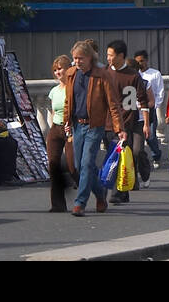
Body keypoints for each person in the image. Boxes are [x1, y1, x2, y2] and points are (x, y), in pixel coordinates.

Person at [61, 40, 126, 216]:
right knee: (78, 166)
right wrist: (66, 120)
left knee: (87, 162)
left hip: (94, 125)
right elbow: (68, 100)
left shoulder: (102, 75)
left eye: (80, 58)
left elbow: (113, 104)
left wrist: (119, 128)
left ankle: (80, 203)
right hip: (77, 124)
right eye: (75, 58)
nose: (77, 61)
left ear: (90, 58)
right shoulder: (71, 74)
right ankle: (100, 195)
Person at [105, 39, 152, 202]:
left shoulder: (132, 76)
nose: (108, 58)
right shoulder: (105, 73)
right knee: (115, 156)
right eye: (107, 55)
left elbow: (139, 101)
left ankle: (118, 193)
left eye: (111, 55)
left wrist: (145, 123)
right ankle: (123, 191)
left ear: (121, 56)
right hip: (108, 123)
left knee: (128, 153)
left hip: (128, 123)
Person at [46, 55, 73, 212]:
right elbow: (52, 110)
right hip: (56, 128)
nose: (57, 72)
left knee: (73, 165)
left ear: (68, 69)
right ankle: (57, 204)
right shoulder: (53, 91)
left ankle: (96, 191)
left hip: (71, 128)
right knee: (53, 164)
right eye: (55, 70)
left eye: (60, 69)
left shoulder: (73, 88)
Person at [132, 50, 165, 166]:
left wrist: (154, 106)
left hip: (149, 110)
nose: (140, 64)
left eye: (142, 61)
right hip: (135, 113)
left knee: (150, 136)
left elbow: (160, 93)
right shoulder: (135, 75)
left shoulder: (154, 74)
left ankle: (156, 155)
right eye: (137, 62)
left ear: (146, 60)